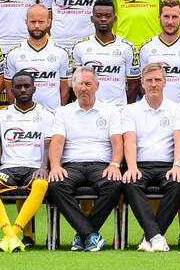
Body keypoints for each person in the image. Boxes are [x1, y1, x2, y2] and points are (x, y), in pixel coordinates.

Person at [46, 67, 125, 252]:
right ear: (72, 87)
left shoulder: (110, 110)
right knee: (56, 184)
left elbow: (117, 142)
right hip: (72, 164)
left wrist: (114, 164)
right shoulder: (63, 112)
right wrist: (55, 166)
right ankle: (90, 235)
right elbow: (56, 142)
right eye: (80, 84)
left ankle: (84, 234)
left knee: (114, 184)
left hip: (101, 165)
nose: (84, 88)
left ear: (97, 86)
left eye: (88, 84)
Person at [0, 70, 54, 253]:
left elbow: (48, 145)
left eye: (26, 86)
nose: (23, 90)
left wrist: (44, 167)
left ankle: (11, 235)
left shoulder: (46, 115)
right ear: (11, 90)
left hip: (33, 169)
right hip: (8, 170)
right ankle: (11, 235)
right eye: (18, 87)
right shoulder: (1, 115)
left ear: (34, 88)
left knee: (41, 184)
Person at [121, 64, 180, 252]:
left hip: (167, 166)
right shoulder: (130, 110)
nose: (153, 84)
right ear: (142, 83)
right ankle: (156, 236)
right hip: (140, 165)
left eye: (158, 80)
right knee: (130, 182)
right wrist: (132, 167)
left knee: (178, 183)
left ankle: (149, 237)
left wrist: (177, 166)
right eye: (149, 80)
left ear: (165, 82)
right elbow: (129, 141)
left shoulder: (177, 109)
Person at [2, 3, 71, 110]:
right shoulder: (13, 53)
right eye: (33, 22)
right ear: (26, 22)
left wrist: (59, 113)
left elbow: (65, 90)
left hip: (53, 116)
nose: (37, 26)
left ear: (48, 22)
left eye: (41, 22)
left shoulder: (61, 52)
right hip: (23, 118)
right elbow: (10, 91)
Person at [70, 0, 137, 106]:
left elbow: (133, 84)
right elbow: (75, 83)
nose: (103, 19)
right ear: (92, 19)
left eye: (108, 16)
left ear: (115, 19)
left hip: (118, 110)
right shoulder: (79, 47)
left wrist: (126, 109)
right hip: (89, 110)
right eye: (99, 15)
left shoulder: (127, 47)